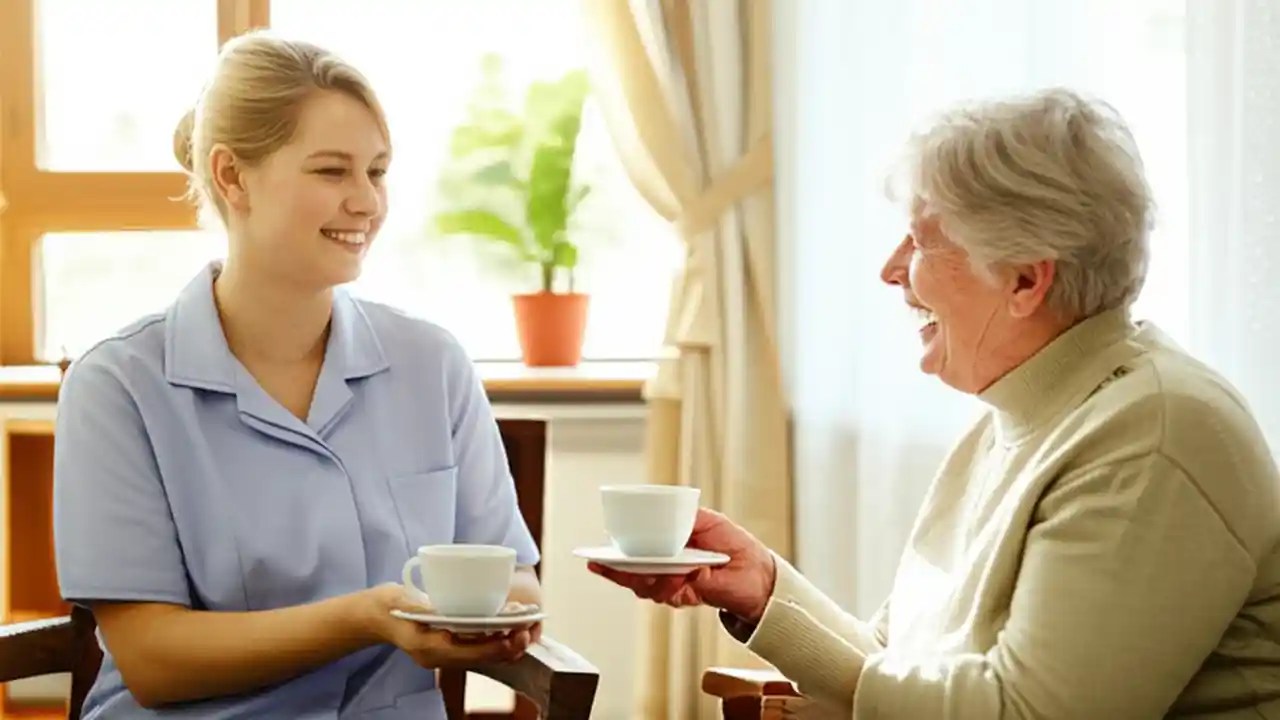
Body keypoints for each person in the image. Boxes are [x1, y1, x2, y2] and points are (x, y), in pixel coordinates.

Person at [590, 88, 1280, 718]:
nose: (892, 271)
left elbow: (1030, 715)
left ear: (1024, 280)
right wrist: (765, 590)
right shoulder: (1018, 419)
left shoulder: (1155, 432)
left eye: (920, 240)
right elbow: (904, 671)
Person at [52, 31, 541, 719]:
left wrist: (507, 616)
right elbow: (153, 660)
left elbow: (515, 576)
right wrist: (364, 618)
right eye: (331, 171)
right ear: (231, 176)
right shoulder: (118, 386)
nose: (367, 203)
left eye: (377, 171)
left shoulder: (433, 364)